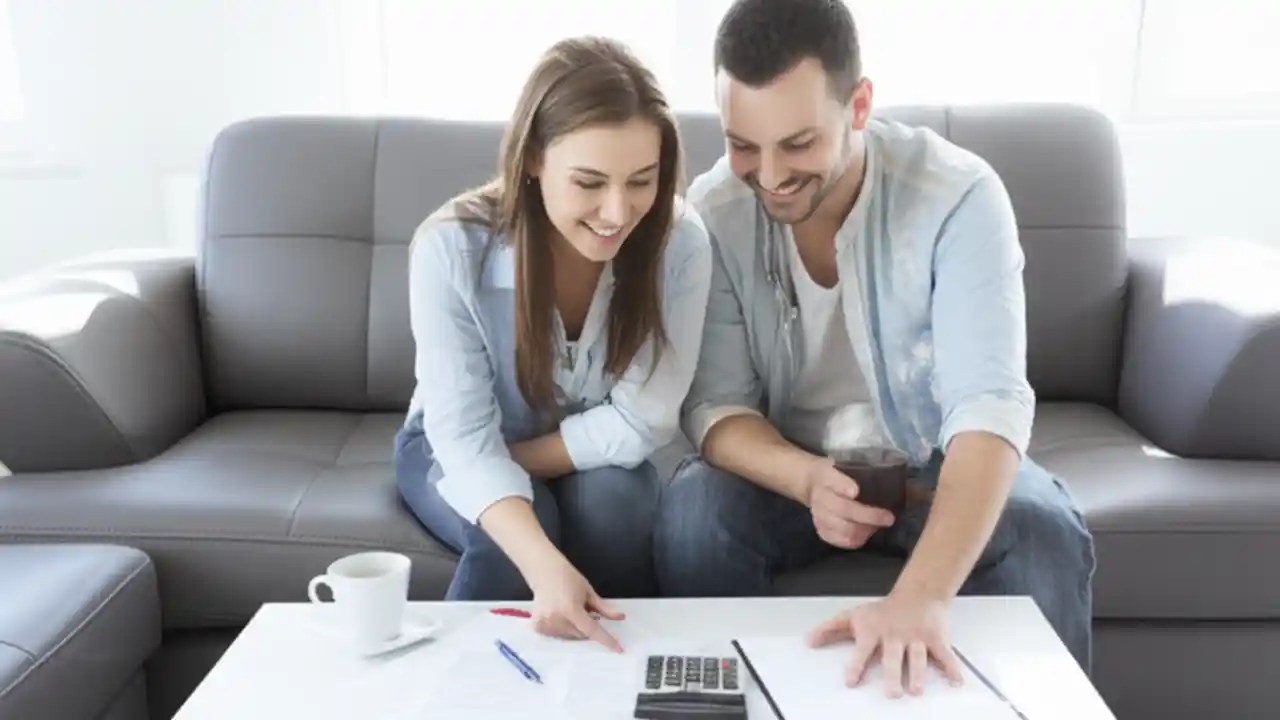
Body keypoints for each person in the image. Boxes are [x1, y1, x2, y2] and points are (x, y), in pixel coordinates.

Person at [654, 0, 1096, 696]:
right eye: (744, 144)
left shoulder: (958, 196)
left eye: (798, 144)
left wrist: (920, 596)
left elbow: (988, 406)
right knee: (692, 517)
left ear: (859, 106)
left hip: (931, 462)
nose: (768, 175)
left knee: (1041, 528)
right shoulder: (712, 213)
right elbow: (716, 407)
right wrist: (805, 479)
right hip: (787, 470)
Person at [394, 36, 711, 652]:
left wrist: (520, 458)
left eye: (642, 181)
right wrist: (543, 563)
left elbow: (645, 420)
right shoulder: (449, 248)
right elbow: (461, 444)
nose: (618, 212)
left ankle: (628, 686)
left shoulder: (680, 241)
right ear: (535, 157)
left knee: (619, 508)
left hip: (579, 453)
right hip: (448, 444)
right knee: (520, 531)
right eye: (589, 182)